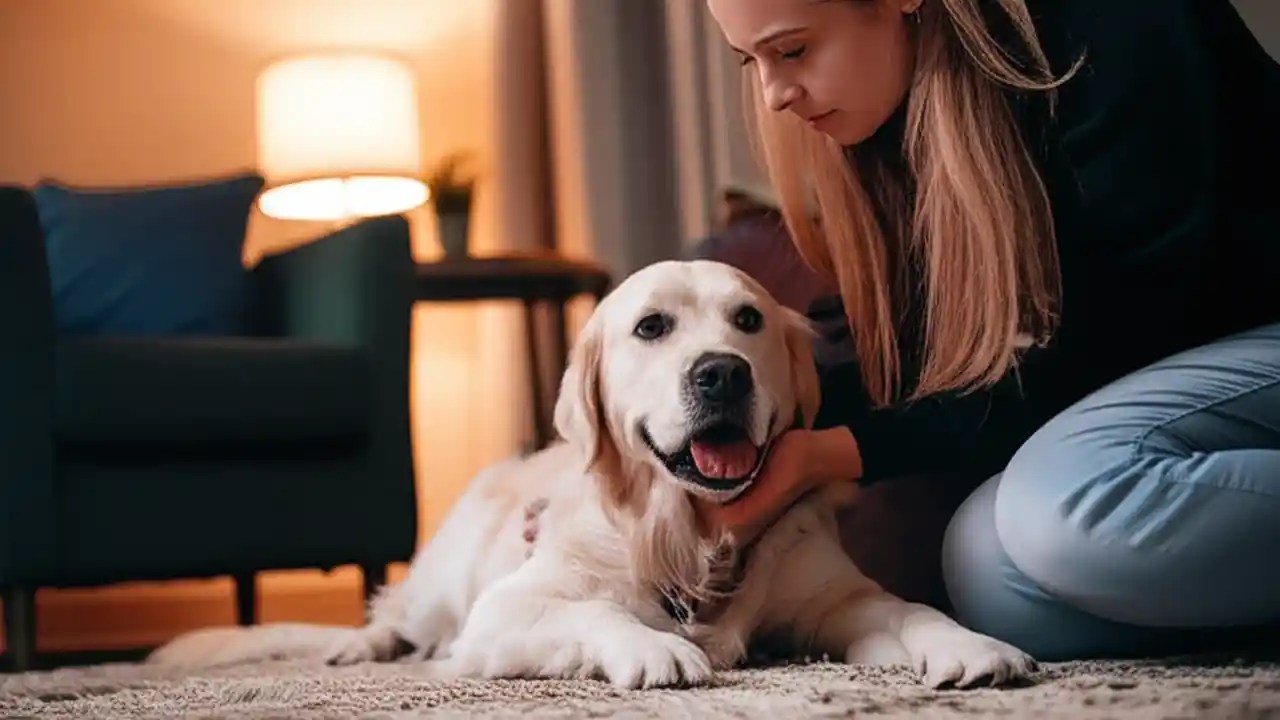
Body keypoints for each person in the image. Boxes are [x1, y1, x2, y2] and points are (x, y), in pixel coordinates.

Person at [694, 0, 1280, 662]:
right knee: (989, 573)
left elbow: (1109, 345)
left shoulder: (1119, 23)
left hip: (1239, 333)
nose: (772, 96)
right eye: (752, 62)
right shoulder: (901, 110)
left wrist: (832, 453)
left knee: (1061, 506)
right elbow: (881, 353)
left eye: (792, 50)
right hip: (1183, 369)